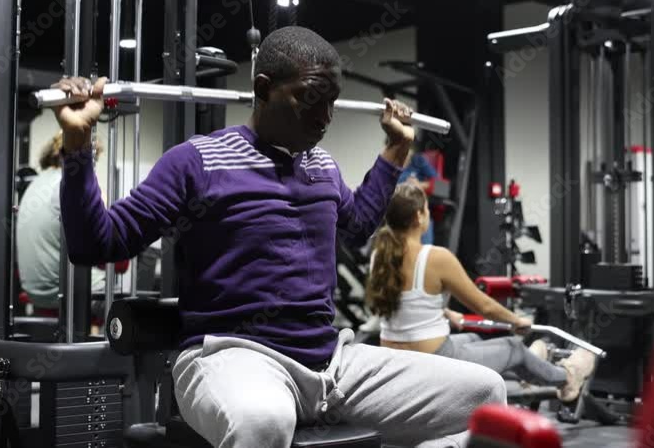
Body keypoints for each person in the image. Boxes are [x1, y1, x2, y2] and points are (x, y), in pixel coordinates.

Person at [53, 26, 506, 448]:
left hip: (330, 363)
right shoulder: (197, 161)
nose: (324, 117)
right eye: (310, 99)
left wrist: (395, 152)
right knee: (263, 420)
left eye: (332, 102)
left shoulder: (322, 166)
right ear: (264, 88)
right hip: (231, 357)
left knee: (485, 394)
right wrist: (77, 147)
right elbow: (98, 243)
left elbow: (357, 225)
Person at [366, 183, 597, 403]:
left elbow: (406, 300)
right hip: (434, 359)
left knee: (474, 339)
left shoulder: (380, 256)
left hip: (395, 356)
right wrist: (516, 321)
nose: (428, 214)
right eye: (426, 209)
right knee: (513, 348)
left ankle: (534, 366)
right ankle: (567, 377)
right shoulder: (436, 257)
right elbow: (483, 306)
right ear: (419, 216)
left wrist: (444, 312)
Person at [16, 131, 108, 314]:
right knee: (122, 302)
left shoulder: (36, 182)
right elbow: (99, 241)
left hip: (34, 291)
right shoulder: (67, 182)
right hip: (61, 289)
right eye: (93, 159)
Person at [397, 143, 438, 244]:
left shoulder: (418, 161)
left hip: (416, 208)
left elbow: (441, 185)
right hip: (397, 210)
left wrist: (420, 185)